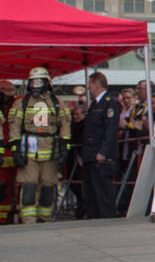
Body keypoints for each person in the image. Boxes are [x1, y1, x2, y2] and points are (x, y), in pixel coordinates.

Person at [8, 67, 71, 224]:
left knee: (48, 187)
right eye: (33, 81)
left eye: (39, 81)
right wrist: (15, 150)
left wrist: (65, 146)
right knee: (28, 187)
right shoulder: (21, 103)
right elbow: (14, 126)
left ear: (47, 82)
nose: (36, 85)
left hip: (51, 151)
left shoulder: (57, 103)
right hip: (28, 152)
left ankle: (45, 218)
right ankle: (29, 220)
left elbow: (65, 125)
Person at [80, 72, 120, 219]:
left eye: (90, 84)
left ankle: (107, 217)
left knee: (103, 189)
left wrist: (103, 151)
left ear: (96, 84)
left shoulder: (109, 102)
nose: (88, 88)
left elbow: (110, 130)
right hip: (90, 153)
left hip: (101, 154)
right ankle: (94, 216)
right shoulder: (95, 104)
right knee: (91, 190)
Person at [0, 80, 17, 224]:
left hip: (16, 151)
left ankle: (23, 217)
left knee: (21, 187)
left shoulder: (20, 104)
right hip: (2, 152)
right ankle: (2, 219)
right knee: (1, 188)